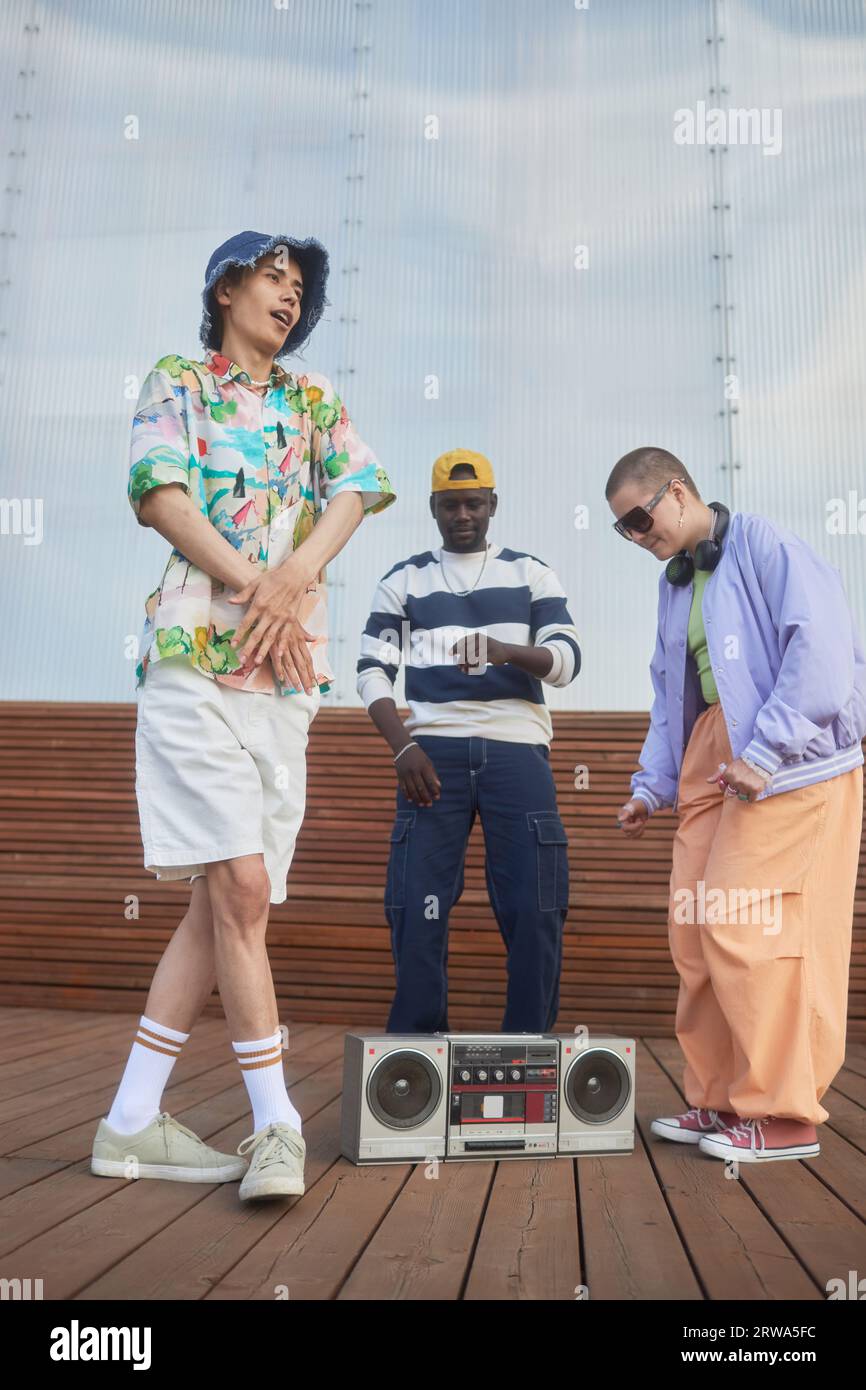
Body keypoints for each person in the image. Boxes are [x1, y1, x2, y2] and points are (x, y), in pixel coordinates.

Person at [92, 231, 395, 1201]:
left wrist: (298, 574)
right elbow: (158, 494)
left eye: (300, 288)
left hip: (285, 680)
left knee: (225, 904)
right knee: (243, 884)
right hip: (192, 654)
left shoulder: (314, 402)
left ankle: (131, 1121)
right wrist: (255, 581)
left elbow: (357, 486)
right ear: (225, 287)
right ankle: (277, 1127)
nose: (289, 297)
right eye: (273, 277)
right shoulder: (180, 378)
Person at [608, 447, 866, 1163]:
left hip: (789, 761)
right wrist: (648, 787)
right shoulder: (676, 583)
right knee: (695, 931)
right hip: (711, 759)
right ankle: (719, 1098)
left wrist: (767, 752)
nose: (635, 534)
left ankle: (783, 1115)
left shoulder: (764, 544)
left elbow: (823, 652)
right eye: (620, 529)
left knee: (746, 923)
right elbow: (670, 695)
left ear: (679, 491)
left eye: (640, 515)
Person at [357, 448, 580, 1032]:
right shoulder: (404, 580)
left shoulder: (531, 573)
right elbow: (371, 671)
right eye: (451, 504)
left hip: (517, 751)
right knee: (417, 903)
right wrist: (403, 748)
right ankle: (419, 1048)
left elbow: (566, 661)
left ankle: (528, 1044)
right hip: (432, 756)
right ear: (433, 508)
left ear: (492, 506)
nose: (463, 514)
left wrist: (507, 651)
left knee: (534, 902)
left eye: (473, 503)